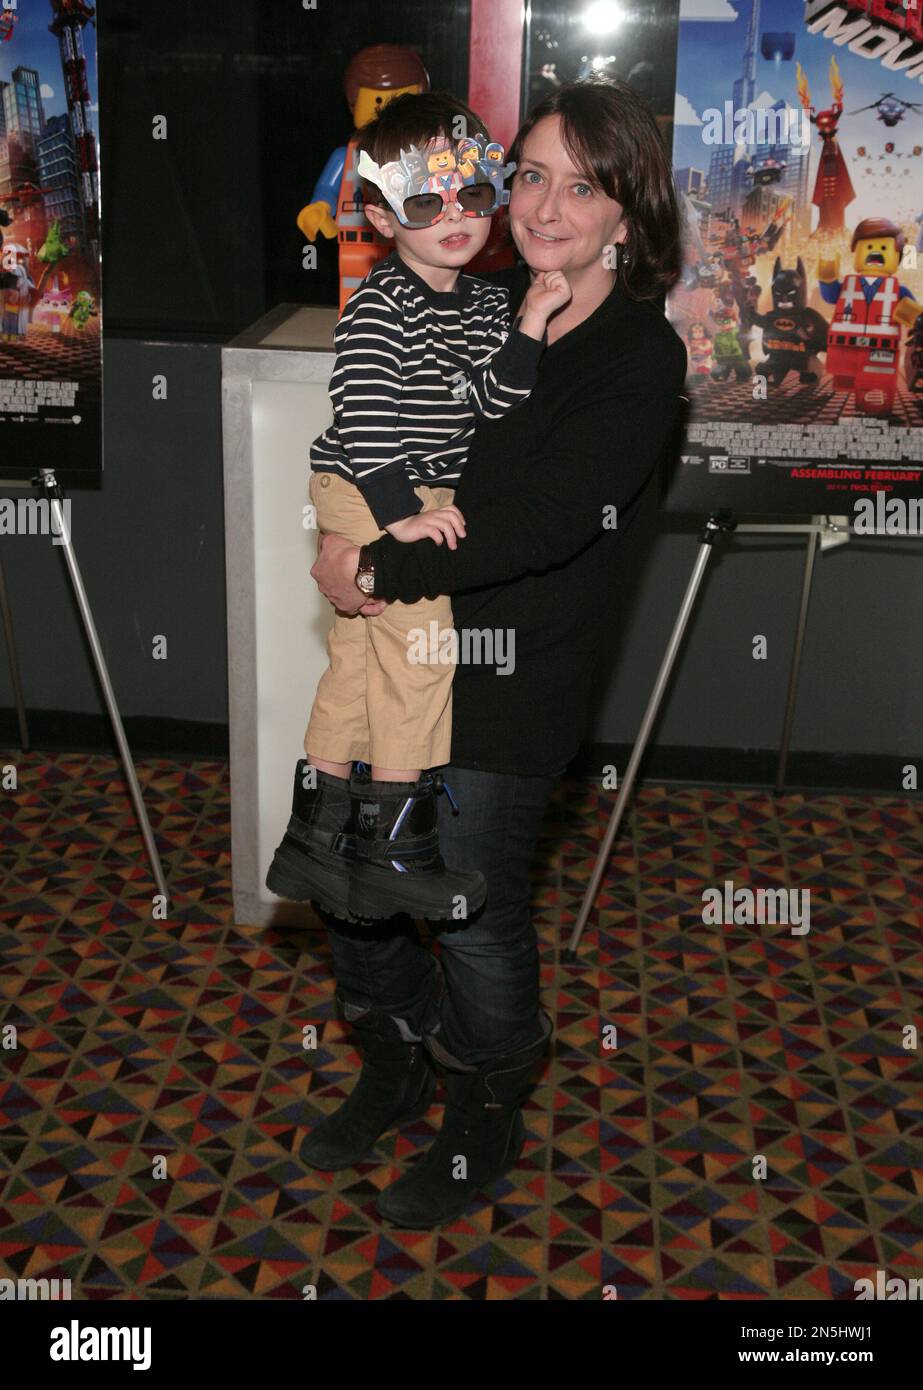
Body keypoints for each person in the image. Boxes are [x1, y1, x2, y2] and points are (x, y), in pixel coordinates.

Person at [306, 78, 688, 1230]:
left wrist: (373, 568)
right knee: (350, 886)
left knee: (467, 908)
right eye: (528, 173)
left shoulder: (634, 355)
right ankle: (400, 1049)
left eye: (584, 184)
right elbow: (377, 429)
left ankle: (488, 1090)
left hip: (513, 675)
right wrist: (345, 521)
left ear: (630, 210)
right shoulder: (475, 305)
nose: (546, 204)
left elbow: (540, 524)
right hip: (400, 655)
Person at [267, 92, 570, 925]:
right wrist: (399, 519)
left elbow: (491, 400)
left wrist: (530, 325)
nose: (455, 219)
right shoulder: (379, 301)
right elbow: (362, 419)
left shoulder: (477, 304)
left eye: (472, 196)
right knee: (424, 652)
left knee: (361, 662)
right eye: (424, 202)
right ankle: (399, 850)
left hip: (401, 490)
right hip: (371, 484)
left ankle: (314, 843)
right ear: (379, 213)